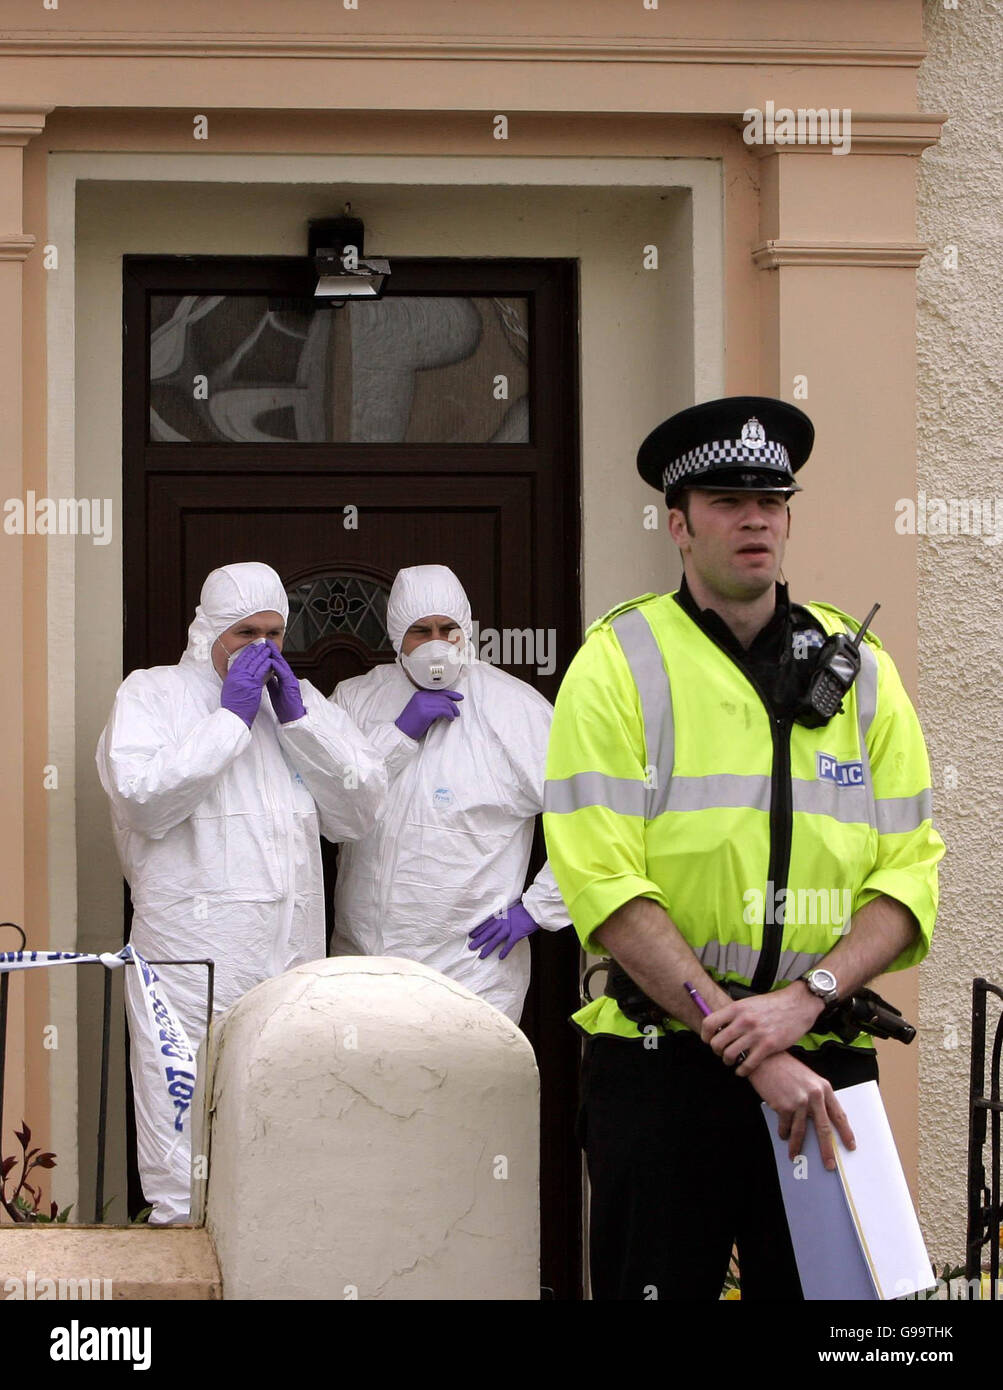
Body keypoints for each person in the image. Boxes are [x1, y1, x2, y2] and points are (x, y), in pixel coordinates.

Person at [542, 397, 944, 1300]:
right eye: (725, 501)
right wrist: (752, 1045)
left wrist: (807, 1000)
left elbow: (909, 872)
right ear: (678, 526)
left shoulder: (861, 669)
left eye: (770, 499)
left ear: (789, 518)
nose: (753, 517)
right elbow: (604, 886)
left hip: (824, 1059)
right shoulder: (616, 662)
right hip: (662, 1061)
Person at [96, 561, 387, 1223]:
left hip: (288, 958)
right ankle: (179, 1250)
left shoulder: (303, 703)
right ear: (206, 633)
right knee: (184, 1117)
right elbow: (142, 802)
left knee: (286, 1105)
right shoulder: (154, 694)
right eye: (244, 633)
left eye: (275, 634)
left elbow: (360, 810)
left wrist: (298, 723)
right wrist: (227, 722)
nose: (262, 650)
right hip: (188, 957)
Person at [329, 564, 571, 1023]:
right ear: (397, 635)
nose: (437, 643)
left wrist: (539, 909)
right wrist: (397, 734)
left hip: (471, 969)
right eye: (420, 631)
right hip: (364, 962)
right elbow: (331, 809)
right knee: (365, 1088)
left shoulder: (514, 710)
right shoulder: (356, 701)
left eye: (449, 629)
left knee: (466, 1090)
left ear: (467, 630)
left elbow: (586, 811)